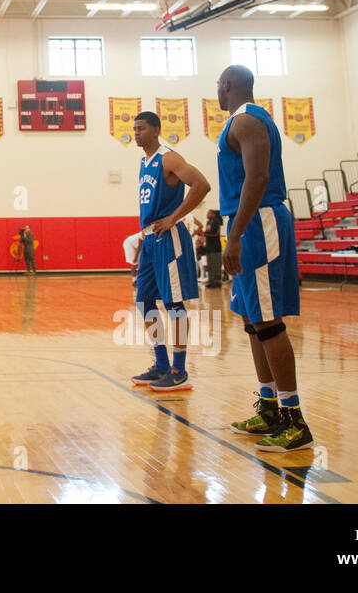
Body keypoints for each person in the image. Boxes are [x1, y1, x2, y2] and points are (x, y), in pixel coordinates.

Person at [217, 65, 312, 452]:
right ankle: (270, 408)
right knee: (254, 320)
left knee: (269, 323)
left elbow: (256, 180)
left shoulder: (247, 121)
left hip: (259, 222)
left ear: (226, 87)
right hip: (250, 222)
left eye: (219, 88)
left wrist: (236, 235)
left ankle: (295, 421)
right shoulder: (246, 121)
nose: (218, 94)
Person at [129, 112, 212, 393]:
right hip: (151, 238)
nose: (136, 133)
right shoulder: (144, 162)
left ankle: (179, 370)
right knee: (144, 302)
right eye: (134, 129)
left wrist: (175, 217)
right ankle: (161, 364)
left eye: (141, 128)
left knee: (174, 304)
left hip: (169, 237)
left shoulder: (169, 158)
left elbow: (202, 185)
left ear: (156, 130)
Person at [204, 211, 224, 287]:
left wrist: (205, 234)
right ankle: (211, 281)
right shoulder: (208, 222)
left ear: (213, 214)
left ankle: (217, 282)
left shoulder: (216, 222)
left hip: (215, 248)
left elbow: (216, 233)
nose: (207, 214)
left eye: (209, 213)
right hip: (209, 248)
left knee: (216, 265)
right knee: (210, 266)